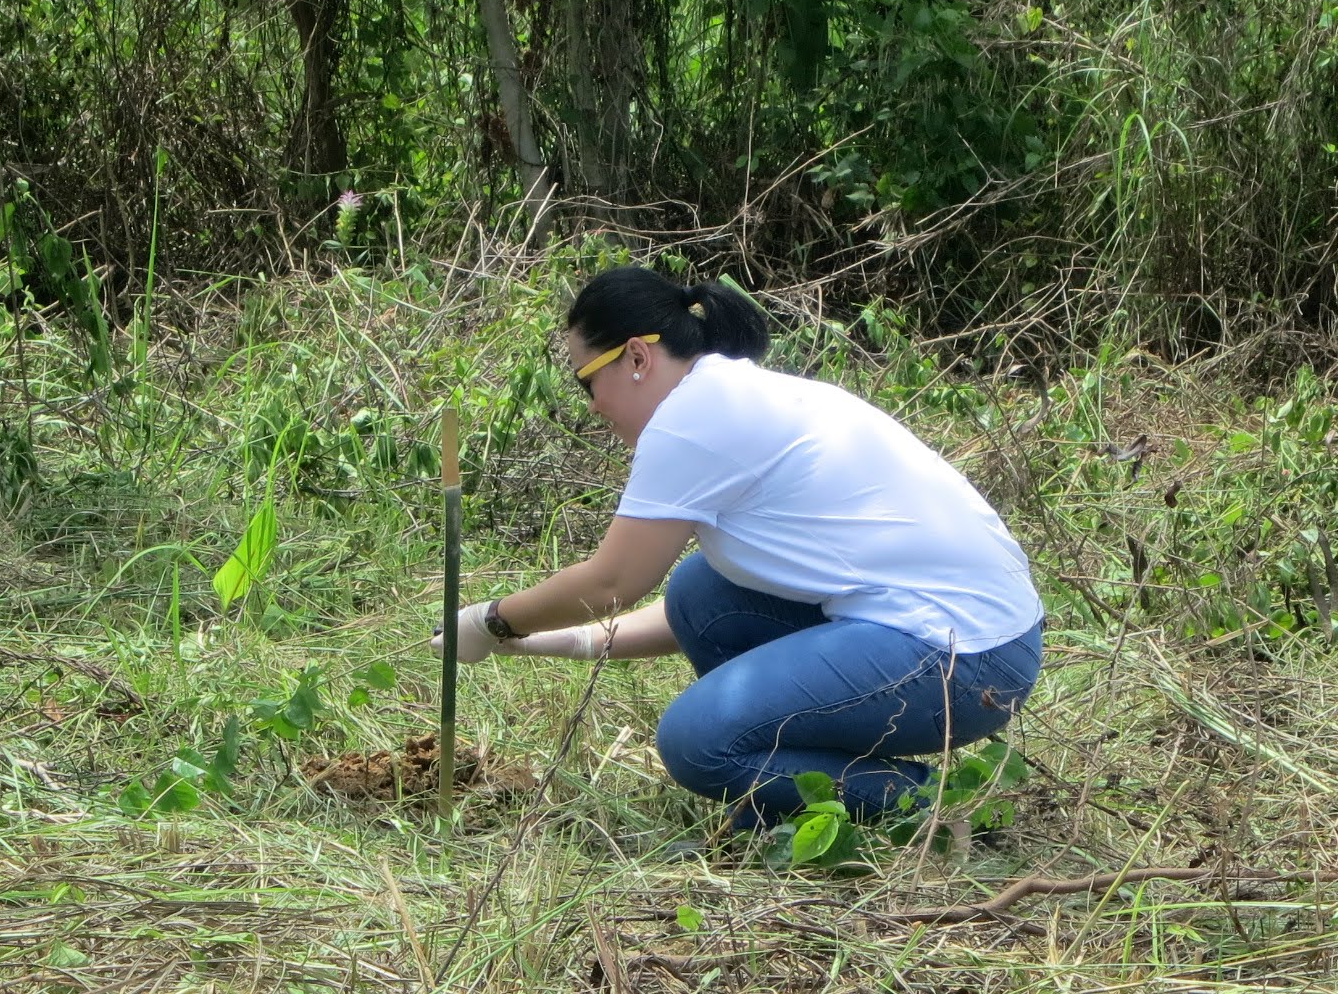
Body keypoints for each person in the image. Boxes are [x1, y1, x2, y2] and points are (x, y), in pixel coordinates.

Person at [433, 266, 1043, 825]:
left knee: (697, 742)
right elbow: (681, 615)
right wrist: (546, 642)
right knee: (703, 589)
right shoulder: (730, 393)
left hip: (965, 662)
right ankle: (784, 793)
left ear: (638, 357)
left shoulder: (691, 422)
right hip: (980, 640)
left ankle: (927, 807)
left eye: (586, 381)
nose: (591, 406)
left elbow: (612, 582)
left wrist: (493, 621)